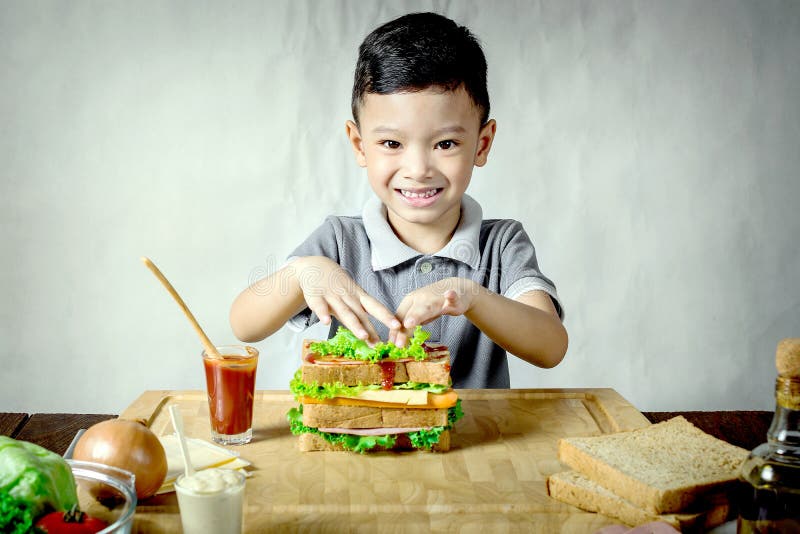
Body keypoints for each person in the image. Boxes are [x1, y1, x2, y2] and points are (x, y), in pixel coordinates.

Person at [230, 12, 567, 388]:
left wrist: (471, 297)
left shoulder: (501, 244)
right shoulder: (340, 241)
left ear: (482, 144)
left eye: (446, 144)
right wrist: (302, 272)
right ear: (360, 145)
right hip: (364, 438)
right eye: (392, 143)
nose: (418, 168)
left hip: (477, 443)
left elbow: (550, 347)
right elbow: (243, 325)